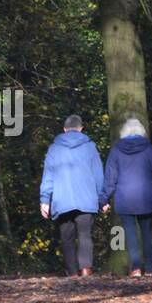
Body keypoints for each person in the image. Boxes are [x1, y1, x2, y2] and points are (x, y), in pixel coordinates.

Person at [39, 114, 106, 276]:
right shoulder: (90, 147)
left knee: (67, 238)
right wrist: (102, 197)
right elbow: (98, 174)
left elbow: (48, 175)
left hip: (62, 200)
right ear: (81, 128)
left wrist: (45, 200)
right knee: (85, 235)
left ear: (64, 129)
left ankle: (72, 272)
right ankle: (86, 269)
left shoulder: (54, 148)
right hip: (86, 199)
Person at [102, 118, 152, 277]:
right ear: (141, 132)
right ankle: (151, 269)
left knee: (130, 234)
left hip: (124, 199)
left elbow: (110, 179)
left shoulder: (116, 151)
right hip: (146, 198)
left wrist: (104, 199)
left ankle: (136, 268)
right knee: (146, 233)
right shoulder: (150, 150)